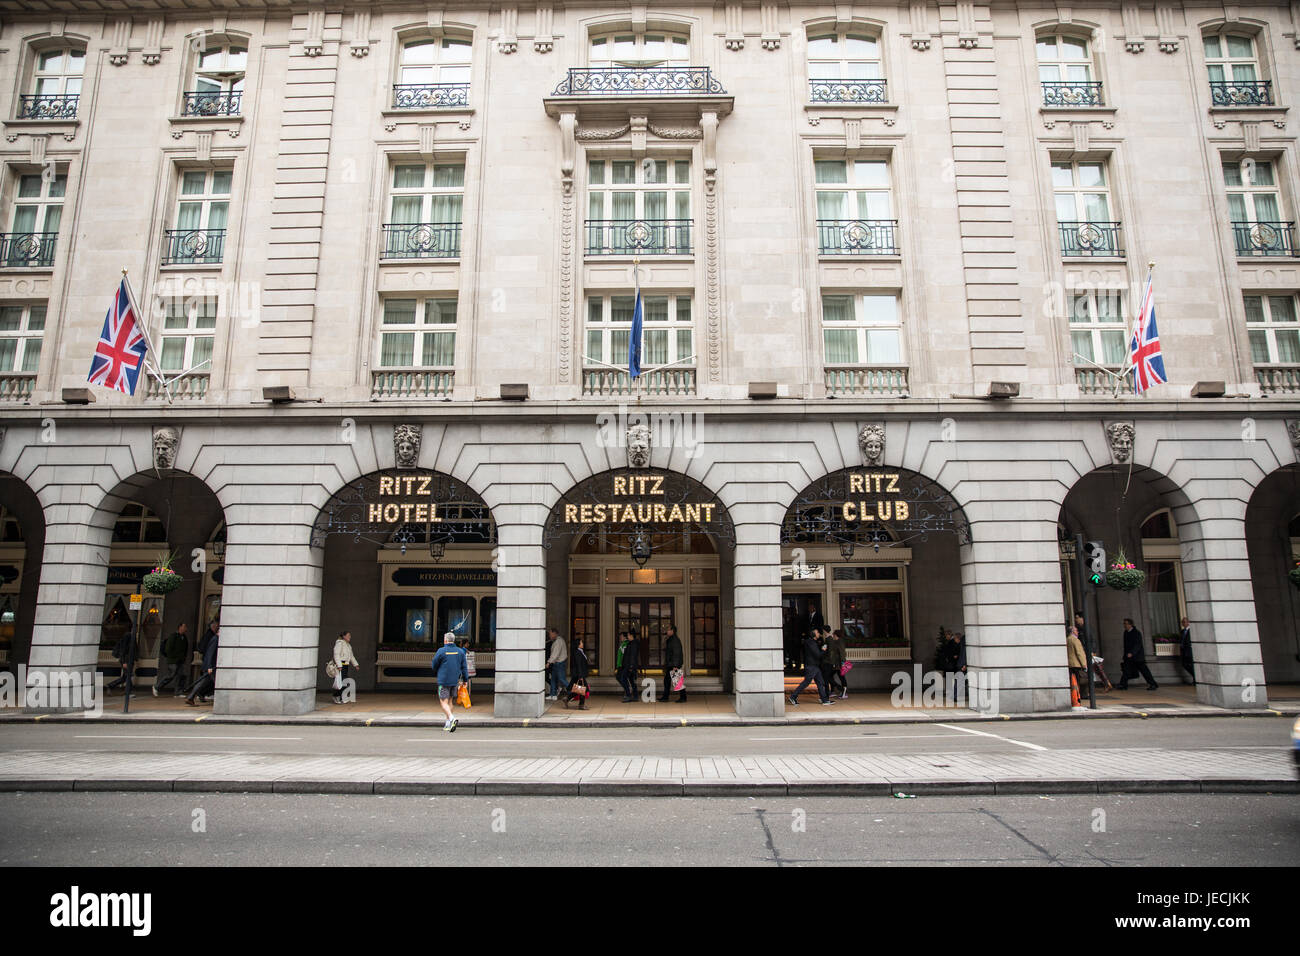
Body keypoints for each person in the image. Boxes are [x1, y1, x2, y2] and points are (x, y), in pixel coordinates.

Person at [431, 631, 468, 732]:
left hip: (443, 680)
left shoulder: (441, 651)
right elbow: (464, 667)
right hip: (454, 680)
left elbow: (434, 664)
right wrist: (465, 680)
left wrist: (437, 670)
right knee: (450, 701)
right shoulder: (460, 652)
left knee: (443, 702)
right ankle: (447, 724)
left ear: (446, 640)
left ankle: (452, 718)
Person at [789, 626, 832, 705]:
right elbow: (817, 655)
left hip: (814, 666)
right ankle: (793, 696)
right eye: (817, 633)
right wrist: (823, 650)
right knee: (806, 683)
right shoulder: (811, 642)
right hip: (811, 666)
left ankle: (824, 699)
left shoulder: (812, 642)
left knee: (820, 682)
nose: (819, 633)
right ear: (814, 634)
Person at [1117, 617, 1157, 691]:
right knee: (1126, 670)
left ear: (1130, 625)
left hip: (1137, 657)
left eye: (1126, 624)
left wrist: (1132, 653)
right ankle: (1123, 684)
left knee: (1144, 671)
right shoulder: (1125, 633)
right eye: (1124, 624)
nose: (1124, 625)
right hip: (1128, 656)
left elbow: (1138, 645)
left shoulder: (1136, 633)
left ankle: (1152, 684)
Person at [185, 624, 219, 707]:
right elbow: (210, 653)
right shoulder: (215, 639)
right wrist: (210, 666)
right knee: (217, 682)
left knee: (203, 682)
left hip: (210, 666)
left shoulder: (215, 639)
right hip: (211, 666)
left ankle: (191, 697)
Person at [154, 622, 189, 697]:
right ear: (180, 627)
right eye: (184, 627)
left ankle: (178, 692)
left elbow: (185, 648)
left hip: (180, 660)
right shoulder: (173, 636)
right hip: (173, 660)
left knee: (181, 675)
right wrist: (172, 657)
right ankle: (157, 687)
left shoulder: (184, 637)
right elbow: (168, 648)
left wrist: (183, 657)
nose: (186, 629)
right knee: (171, 675)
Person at [659, 623, 686, 703]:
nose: (667, 631)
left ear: (672, 631)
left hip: (673, 664)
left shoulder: (675, 641)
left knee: (677, 681)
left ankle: (683, 697)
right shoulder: (671, 639)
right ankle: (665, 697)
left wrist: (675, 665)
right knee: (667, 681)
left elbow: (676, 653)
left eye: (668, 629)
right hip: (671, 664)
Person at [332, 630, 360, 704]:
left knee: (344, 682)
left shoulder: (348, 645)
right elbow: (336, 654)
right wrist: (339, 665)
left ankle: (340, 697)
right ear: (344, 636)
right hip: (341, 665)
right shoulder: (339, 643)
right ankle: (336, 696)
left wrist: (356, 664)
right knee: (342, 682)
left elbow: (351, 656)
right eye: (348, 635)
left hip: (345, 665)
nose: (350, 637)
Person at [566, 636, 590, 710]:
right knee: (584, 689)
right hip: (579, 674)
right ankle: (581, 705)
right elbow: (578, 665)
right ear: (578, 644)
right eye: (581, 642)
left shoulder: (580, 651)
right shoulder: (577, 652)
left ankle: (568, 699)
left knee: (581, 689)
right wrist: (581, 676)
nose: (582, 643)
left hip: (579, 674)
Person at [545, 627, 568, 701]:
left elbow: (555, 654)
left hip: (559, 663)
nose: (549, 635)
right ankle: (553, 695)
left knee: (562, 679)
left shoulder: (558, 641)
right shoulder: (557, 641)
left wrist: (549, 662)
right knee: (553, 680)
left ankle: (573, 692)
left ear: (554, 633)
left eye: (550, 633)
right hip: (557, 663)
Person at [824, 627, 848, 699]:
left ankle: (843, 692)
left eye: (833, 634)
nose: (832, 636)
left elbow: (842, 653)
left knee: (842, 677)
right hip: (836, 664)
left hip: (839, 664)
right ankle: (835, 690)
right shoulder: (836, 642)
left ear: (836, 635)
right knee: (830, 676)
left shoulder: (840, 642)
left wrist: (843, 664)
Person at [1066, 624, 1088, 699]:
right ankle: (1078, 696)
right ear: (1072, 632)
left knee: (1073, 681)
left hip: (1070, 663)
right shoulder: (1075, 640)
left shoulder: (1068, 639)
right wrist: (1084, 664)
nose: (1077, 632)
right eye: (1076, 630)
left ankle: (1075, 695)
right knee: (1078, 682)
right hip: (1076, 664)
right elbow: (1079, 653)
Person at [616, 631, 639, 702]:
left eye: (628, 635)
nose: (627, 636)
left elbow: (632, 656)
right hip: (628, 665)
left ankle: (628, 695)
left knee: (623, 678)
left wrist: (631, 666)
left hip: (629, 666)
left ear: (631, 635)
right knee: (631, 681)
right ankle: (635, 696)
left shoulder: (633, 644)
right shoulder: (630, 643)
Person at [1179, 617, 1195, 685]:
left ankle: (1195, 679)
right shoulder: (1182, 631)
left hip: (1190, 650)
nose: (1184, 623)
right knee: (1184, 664)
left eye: (1185, 622)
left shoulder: (1192, 631)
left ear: (1188, 622)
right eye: (1182, 622)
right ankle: (1195, 677)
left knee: (1191, 665)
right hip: (1184, 651)